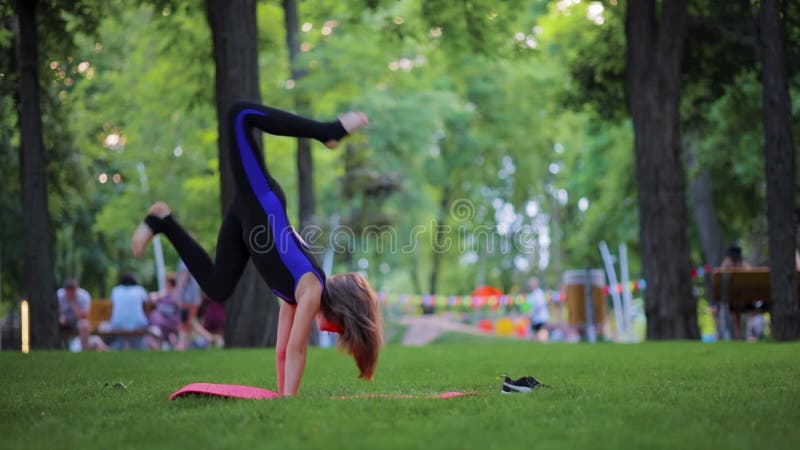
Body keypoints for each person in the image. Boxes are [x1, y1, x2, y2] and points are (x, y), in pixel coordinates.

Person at [131, 102, 382, 396]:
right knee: (238, 115)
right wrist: (290, 399)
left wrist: (281, 395)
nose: (328, 331)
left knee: (218, 287)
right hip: (262, 201)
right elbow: (297, 350)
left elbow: (281, 351)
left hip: (247, 215)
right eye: (338, 330)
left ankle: (164, 222)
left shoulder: (296, 297)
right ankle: (329, 131)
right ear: (342, 311)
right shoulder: (311, 289)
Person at [57, 278, 107, 351]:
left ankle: (84, 350)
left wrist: (73, 304)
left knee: (84, 324)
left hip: (76, 322)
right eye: (68, 291)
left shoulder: (83, 296)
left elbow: (85, 316)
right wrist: (60, 318)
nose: (70, 294)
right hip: (61, 323)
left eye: (72, 291)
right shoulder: (58, 295)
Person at [109, 273, 150, 350]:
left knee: (119, 342)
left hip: (118, 324)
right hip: (138, 325)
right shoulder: (140, 290)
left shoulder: (116, 290)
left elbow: (112, 309)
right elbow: (146, 307)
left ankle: (116, 349)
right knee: (138, 343)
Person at [175, 259, 205, 350]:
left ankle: (181, 345)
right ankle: (184, 345)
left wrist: (177, 292)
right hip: (194, 297)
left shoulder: (184, 259)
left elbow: (184, 275)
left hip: (187, 298)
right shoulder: (194, 258)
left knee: (185, 321)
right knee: (188, 322)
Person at [147, 273, 181, 349]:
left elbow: (152, 298)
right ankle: (158, 338)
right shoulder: (165, 294)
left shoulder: (173, 294)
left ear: (169, 283)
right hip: (167, 322)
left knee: (154, 314)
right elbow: (152, 297)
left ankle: (156, 331)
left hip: (170, 321)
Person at [527, 277, 549, 342]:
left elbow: (540, 306)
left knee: (542, 338)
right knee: (533, 338)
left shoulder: (539, 293)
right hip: (534, 319)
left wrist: (531, 313)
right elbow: (527, 307)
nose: (531, 285)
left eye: (532, 283)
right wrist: (526, 313)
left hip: (541, 319)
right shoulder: (530, 295)